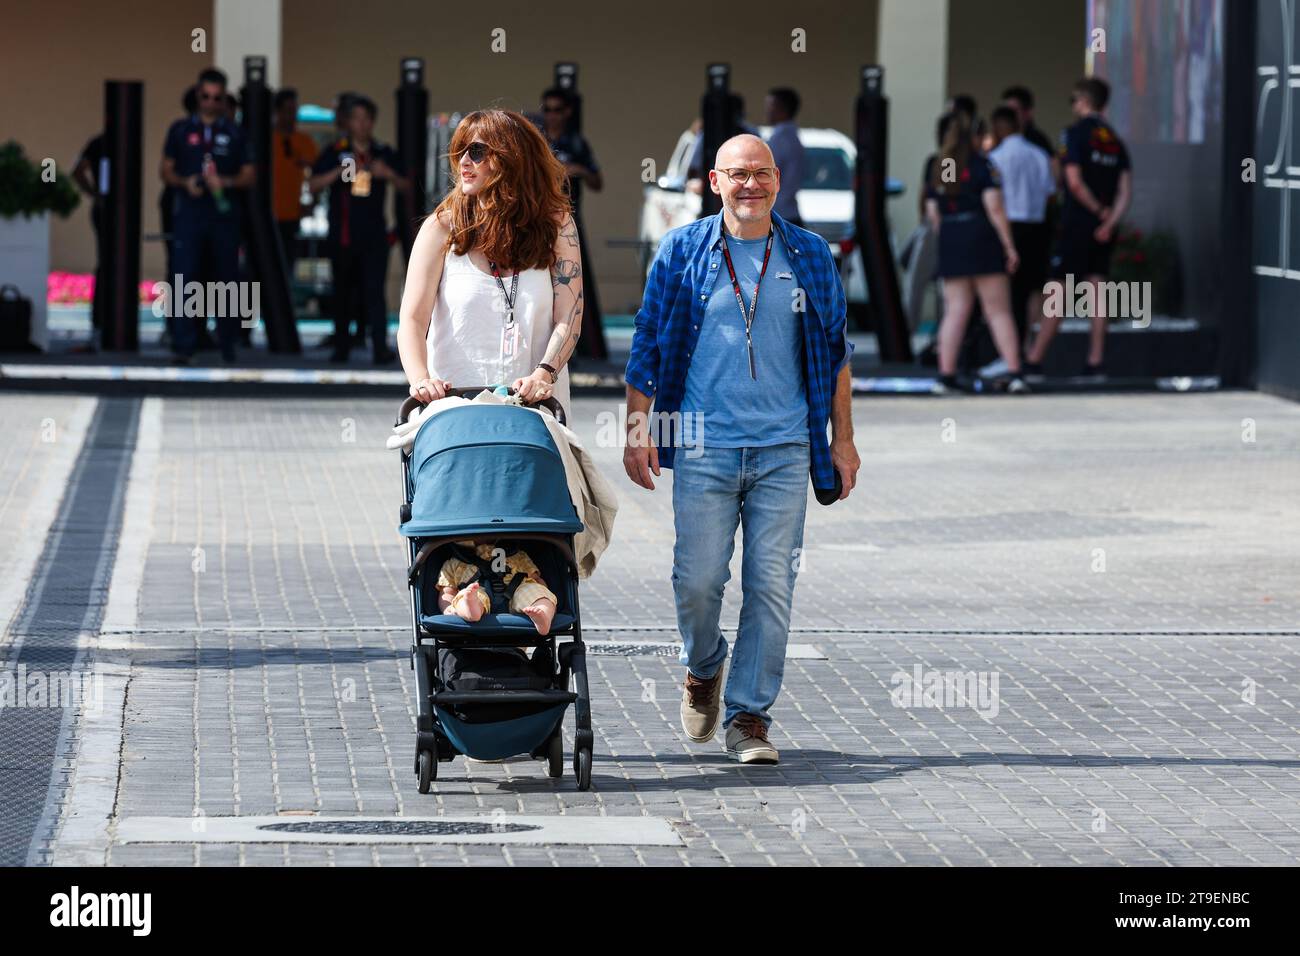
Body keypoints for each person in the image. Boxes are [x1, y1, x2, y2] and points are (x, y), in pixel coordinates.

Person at [622, 133, 860, 765]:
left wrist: (844, 441)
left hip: (785, 448)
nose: (750, 185)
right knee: (697, 582)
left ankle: (748, 716)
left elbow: (836, 353)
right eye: (737, 175)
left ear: (777, 179)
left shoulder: (809, 255)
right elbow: (646, 340)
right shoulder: (682, 250)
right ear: (714, 181)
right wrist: (637, 429)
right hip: (702, 447)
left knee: (771, 583)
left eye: (761, 174)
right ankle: (704, 667)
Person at [396, 108, 583, 422]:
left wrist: (544, 374)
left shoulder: (556, 225)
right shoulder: (441, 227)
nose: (464, 162)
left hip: (535, 413)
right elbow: (412, 321)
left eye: (477, 151)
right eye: (460, 152)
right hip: (454, 412)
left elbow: (570, 315)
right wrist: (421, 380)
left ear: (512, 157)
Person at [1025, 77, 1132, 379]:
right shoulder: (1115, 140)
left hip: (1077, 224)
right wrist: (1109, 221)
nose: (1072, 106)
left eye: (1073, 100)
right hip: (1104, 229)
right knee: (1097, 291)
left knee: (1058, 289)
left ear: (1084, 101)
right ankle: (1095, 362)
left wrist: (1096, 211)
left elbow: (1072, 180)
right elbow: (1126, 190)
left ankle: (1034, 360)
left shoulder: (1073, 134)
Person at [924, 111, 1028, 394]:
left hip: (951, 237)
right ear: (977, 137)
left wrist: (949, 239)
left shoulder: (941, 165)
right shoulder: (983, 165)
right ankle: (1015, 372)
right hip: (981, 237)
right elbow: (994, 207)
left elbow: (934, 214)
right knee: (998, 311)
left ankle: (945, 377)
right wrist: (1009, 246)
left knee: (955, 311)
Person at [159, 67, 255, 363]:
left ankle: (228, 343)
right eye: (205, 96)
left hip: (224, 217)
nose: (210, 102)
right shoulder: (180, 130)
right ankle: (184, 344)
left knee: (226, 280)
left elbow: (250, 175)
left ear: (224, 99)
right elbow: (165, 170)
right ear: (197, 95)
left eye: (217, 97)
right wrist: (185, 182)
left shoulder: (236, 133)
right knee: (184, 278)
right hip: (189, 214)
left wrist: (223, 182)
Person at [310, 95, 411, 364]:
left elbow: (407, 186)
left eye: (367, 118)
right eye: (356, 118)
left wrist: (385, 173)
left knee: (374, 292)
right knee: (342, 292)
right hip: (342, 235)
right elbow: (313, 185)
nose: (362, 124)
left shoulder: (382, 152)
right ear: (348, 122)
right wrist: (339, 173)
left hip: (375, 236)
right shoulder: (335, 152)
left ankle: (379, 348)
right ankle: (341, 346)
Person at [986, 105, 1054, 371]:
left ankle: (1008, 354)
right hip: (1036, 227)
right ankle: (1026, 347)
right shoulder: (1039, 154)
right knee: (1032, 290)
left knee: (1008, 294)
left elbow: (993, 201)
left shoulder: (996, 157)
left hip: (1009, 227)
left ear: (999, 128)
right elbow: (1050, 191)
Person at [436, 542, 557, 634]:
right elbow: (447, 592)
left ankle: (543, 616)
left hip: (518, 587)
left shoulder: (517, 555)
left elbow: (536, 579)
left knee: (534, 591)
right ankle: (470, 609)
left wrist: (543, 596)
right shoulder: (454, 562)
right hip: (476, 590)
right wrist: (448, 609)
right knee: (465, 596)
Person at [271, 88, 319, 282]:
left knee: (287, 267)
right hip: (267, 214)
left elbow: (316, 174)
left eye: (294, 110)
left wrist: (312, 203)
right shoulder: (266, 140)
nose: (291, 116)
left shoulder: (304, 142)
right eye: (286, 110)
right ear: (277, 112)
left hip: (292, 213)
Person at [538, 88, 602, 214]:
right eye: (547, 110)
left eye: (557, 110)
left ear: (567, 111)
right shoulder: (536, 140)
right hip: (540, 212)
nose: (551, 115)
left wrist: (579, 170)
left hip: (570, 212)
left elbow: (597, 184)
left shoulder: (577, 143)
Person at [71, 131, 105, 352]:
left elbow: (78, 170)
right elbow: (78, 171)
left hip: (105, 207)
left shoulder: (99, 142)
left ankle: (100, 327)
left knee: (105, 267)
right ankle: (99, 327)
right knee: (105, 267)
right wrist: (94, 193)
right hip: (105, 209)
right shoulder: (99, 143)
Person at [763, 87, 806, 226]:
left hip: (780, 213)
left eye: (771, 106)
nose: (767, 111)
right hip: (788, 210)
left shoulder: (781, 139)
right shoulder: (791, 136)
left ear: (782, 109)